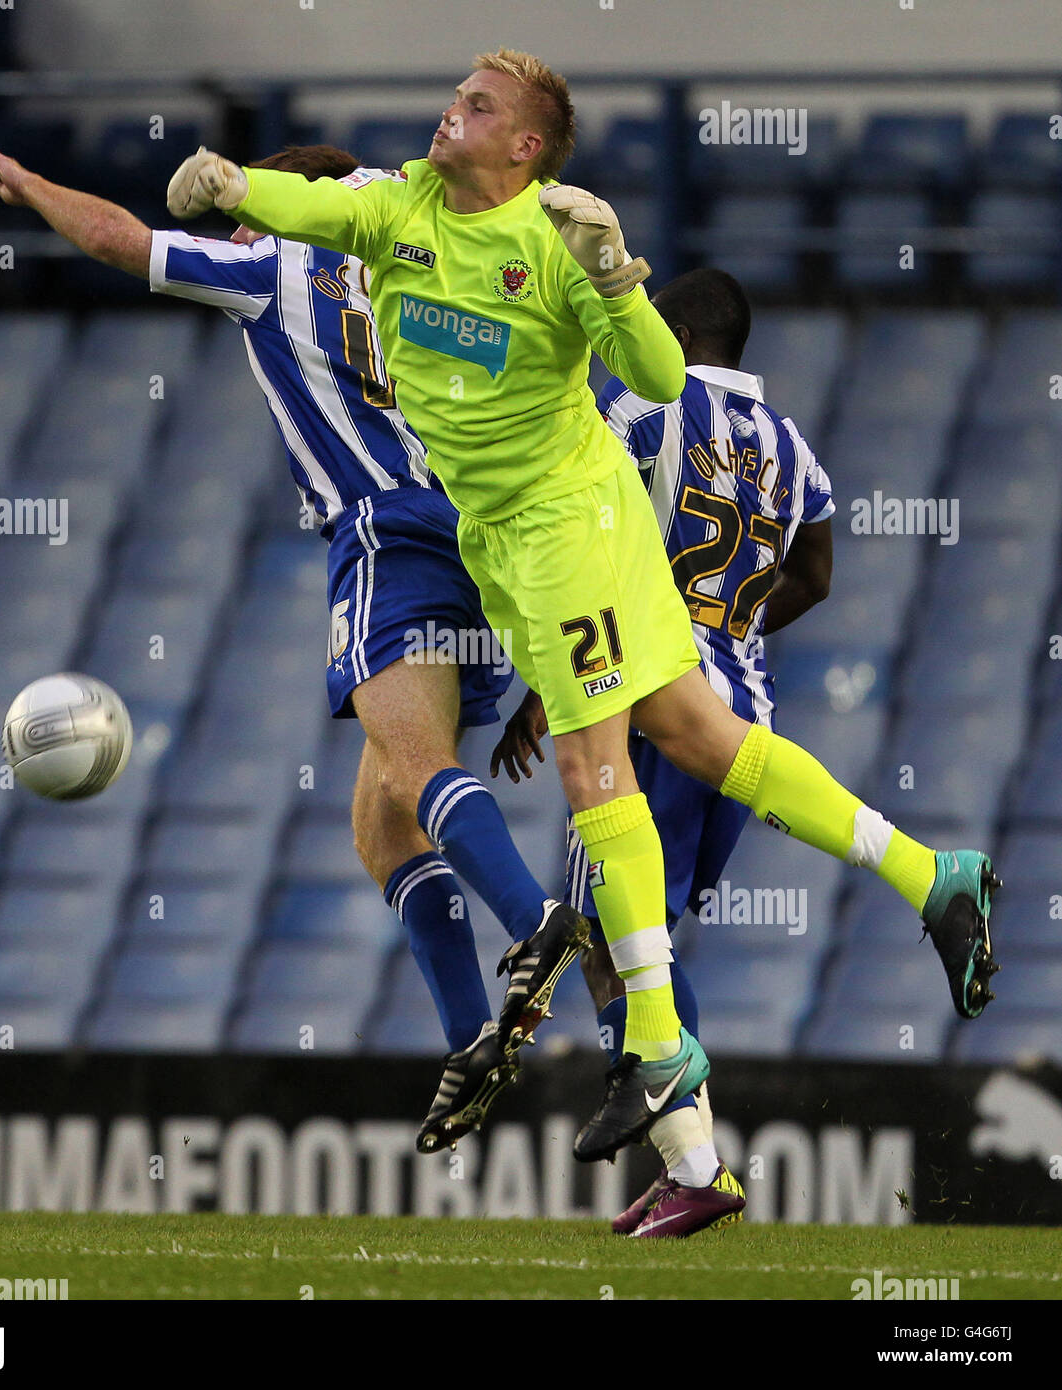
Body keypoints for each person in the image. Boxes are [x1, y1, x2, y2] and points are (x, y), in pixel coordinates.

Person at [166, 47, 1000, 1163]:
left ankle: (660, 1054)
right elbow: (299, 200)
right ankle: (925, 877)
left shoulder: (556, 241)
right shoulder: (412, 213)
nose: (448, 111)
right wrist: (229, 188)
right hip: (565, 564)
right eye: (454, 96)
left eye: (476, 104)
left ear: (523, 147)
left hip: (570, 541)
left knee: (592, 781)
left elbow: (648, 382)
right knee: (696, 741)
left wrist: (611, 275)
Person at [0, 137, 591, 1151]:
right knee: (384, 814)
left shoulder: (271, 263)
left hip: (389, 528)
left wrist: (33, 185)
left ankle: (533, 920)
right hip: (493, 531)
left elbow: (126, 242)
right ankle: (474, 1037)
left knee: (417, 769)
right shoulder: (432, 236)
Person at [493, 267, 833, 1237]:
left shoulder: (644, 409)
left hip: (647, 702)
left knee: (613, 930)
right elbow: (818, 571)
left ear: (671, 329)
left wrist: (542, 691)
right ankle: (690, 1159)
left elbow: (585, 549)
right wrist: (733, 634)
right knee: (642, 933)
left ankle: (694, 1157)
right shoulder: (791, 444)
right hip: (742, 722)